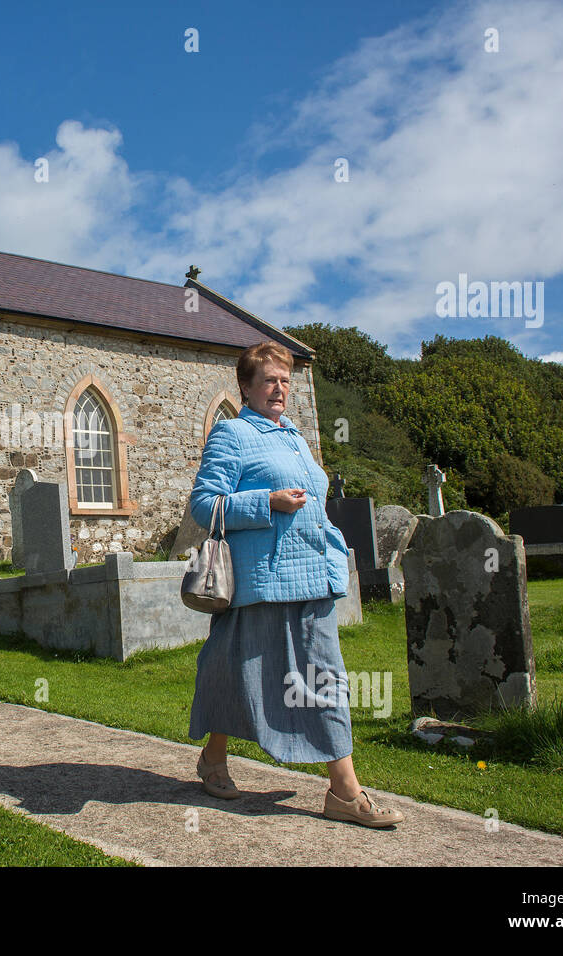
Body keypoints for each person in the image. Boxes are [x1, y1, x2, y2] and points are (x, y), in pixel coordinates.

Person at [187, 342, 405, 828]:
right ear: (245, 387)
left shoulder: (298, 440)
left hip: (311, 577)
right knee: (231, 673)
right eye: (268, 380)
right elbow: (206, 505)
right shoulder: (233, 433)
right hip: (260, 583)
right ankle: (213, 759)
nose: (279, 388)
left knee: (323, 678)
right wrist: (267, 501)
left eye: (285, 380)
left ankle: (344, 792)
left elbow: (315, 503)